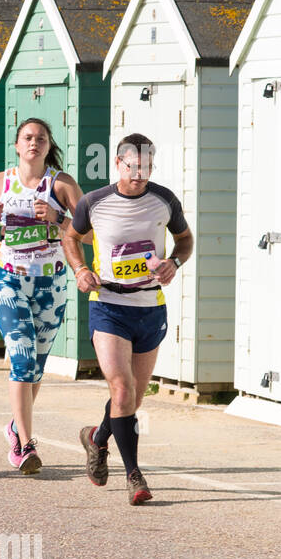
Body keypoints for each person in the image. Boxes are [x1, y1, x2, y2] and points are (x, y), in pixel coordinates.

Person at [63, 134, 193, 506]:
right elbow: (71, 237)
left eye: (146, 167)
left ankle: (97, 437)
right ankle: (134, 474)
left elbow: (185, 240)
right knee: (121, 390)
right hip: (108, 304)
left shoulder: (164, 199)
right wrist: (79, 269)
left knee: (132, 397)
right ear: (117, 164)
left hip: (149, 306)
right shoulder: (95, 202)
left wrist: (175, 262)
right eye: (132, 167)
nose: (139, 175)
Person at [0, 118, 84, 474]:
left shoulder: (62, 184)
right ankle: (25, 443)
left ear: (49, 146)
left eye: (41, 138)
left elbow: (92, 232)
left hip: (50, 284)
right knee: (21, 359)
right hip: (9, 280)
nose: (33, 143)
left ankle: (15, 426)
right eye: (27, 138)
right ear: (17, 146)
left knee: (35, 366)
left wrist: (58, 218)